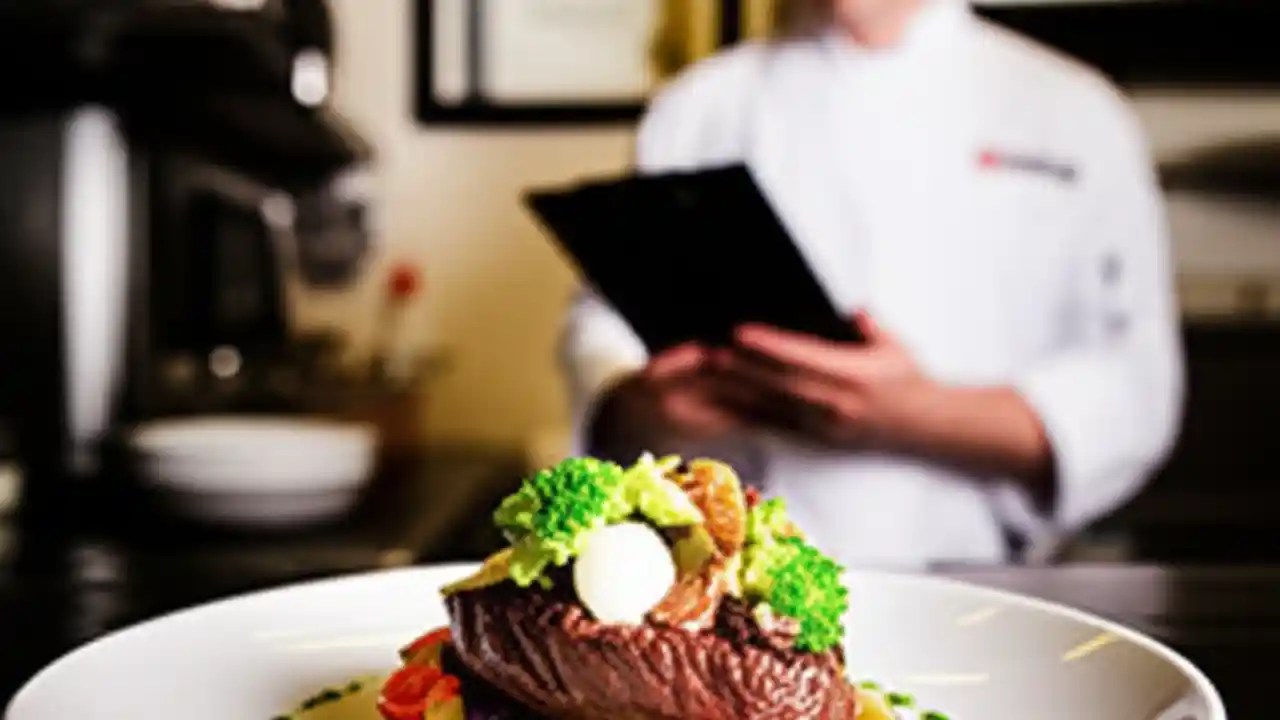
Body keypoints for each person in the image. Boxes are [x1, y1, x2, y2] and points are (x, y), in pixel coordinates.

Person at [561, 0, 1183, 566]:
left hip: (993, 582)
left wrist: (913, 414)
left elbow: (1135, 393)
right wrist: (646, 406)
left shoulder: (1072, 110)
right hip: (737, 578)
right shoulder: (700, 106)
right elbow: (604, 337)